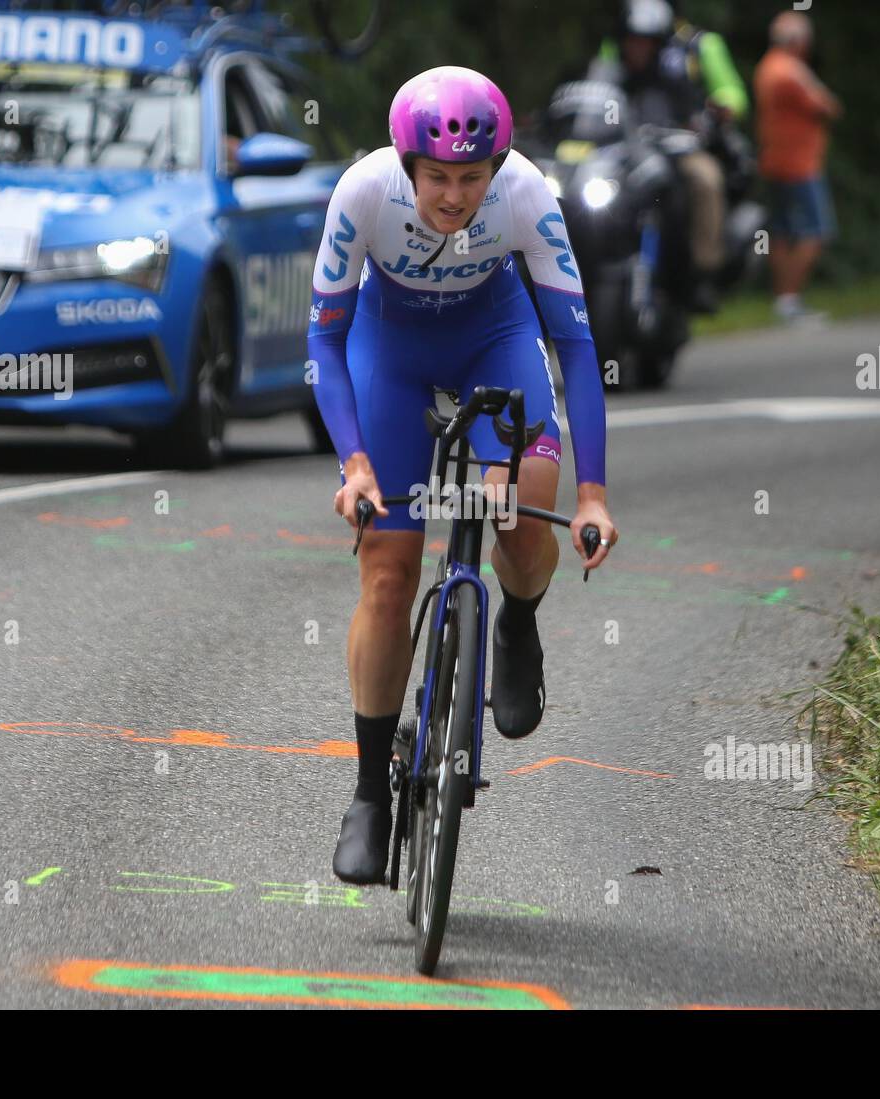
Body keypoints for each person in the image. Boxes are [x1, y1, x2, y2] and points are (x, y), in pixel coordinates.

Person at [307, 67, 620, 883]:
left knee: (520, 508)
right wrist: (356, 463)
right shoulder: (363, 191)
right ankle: (372, 792)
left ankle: (516, 617)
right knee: (387, 572)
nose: (453, 196)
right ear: (408, 167)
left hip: (495, 340)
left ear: (497, 168)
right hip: (392, 355)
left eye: (470, 178)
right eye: (438, 177)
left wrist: (592, 492)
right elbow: (326, 345)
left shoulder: (526, 194)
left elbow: (576, 346)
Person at [591, 0, 748, 313]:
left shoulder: (697, 48)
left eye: (645, 42)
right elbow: (595, 91)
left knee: (706, 180)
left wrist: (720, 108)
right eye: (632, 40)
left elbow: (732, 93)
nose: (637, 47)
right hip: (627, 151)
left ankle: (704, 270)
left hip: (680, 148)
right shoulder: (612, 52)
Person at [753, 10, 841, 325]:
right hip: (799, 165)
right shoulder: (789, 71)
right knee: (814, 230)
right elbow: (827, 106)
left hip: (776, 161)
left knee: (783, 231)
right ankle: (790, 301)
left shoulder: (767, 67)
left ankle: (783, 300)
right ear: (799, 41)